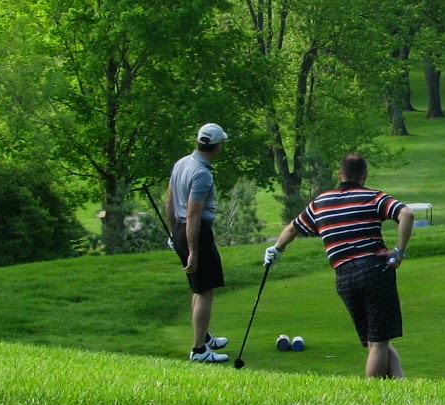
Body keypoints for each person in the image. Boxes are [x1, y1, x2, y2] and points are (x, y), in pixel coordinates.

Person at [264, 152, 415, 379]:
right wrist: (399, 252)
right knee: (379, 343)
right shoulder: (373, 197)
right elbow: (407, 214)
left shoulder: (320, 202)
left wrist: (276, 249)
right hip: (375, 270)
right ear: (365, 175)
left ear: (339, 174)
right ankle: (373, 395)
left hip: (344, 277)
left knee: (377, 340)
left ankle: (401, 386)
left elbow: (293, 228)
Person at [167, 123, 231, 363]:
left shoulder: (182, 163)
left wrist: (174, 231)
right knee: (205, 291)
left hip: (182, 229)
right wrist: (193, 250)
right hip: (196, 233)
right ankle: (199, 350)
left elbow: (169, 200)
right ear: (216, 147)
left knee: (197, 287)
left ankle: (203, 337)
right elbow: (194, 213)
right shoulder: (202, 173)